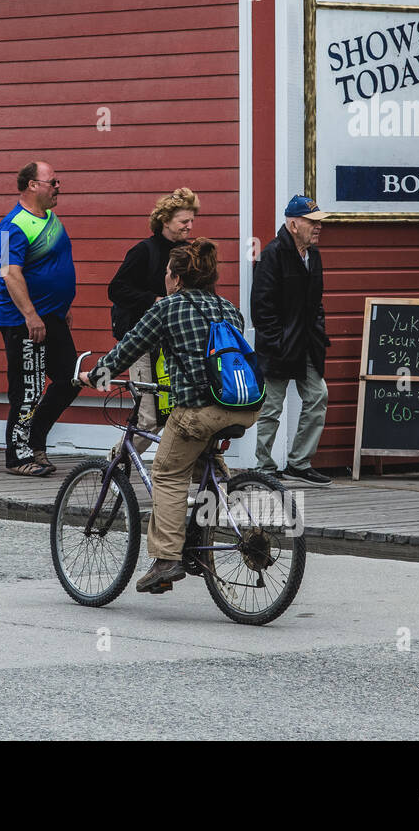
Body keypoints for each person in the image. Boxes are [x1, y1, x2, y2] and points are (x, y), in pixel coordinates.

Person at [80, 238, 257, 593]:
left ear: (175, 278)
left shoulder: (168, 308)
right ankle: (206, 537)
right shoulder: (228, 307)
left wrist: (94, 375)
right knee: (202, 466)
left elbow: (128, 349)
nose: (164, 278)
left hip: (197, 411)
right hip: (244, 406)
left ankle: (166, 560)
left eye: (166, 273)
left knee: (166, 472)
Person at [0, 161, 80, 477]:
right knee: (28, 388)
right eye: (52, 181)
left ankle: (35, 440)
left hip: (52, 317)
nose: (58, 186)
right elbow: (10, 273)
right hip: (24, 321)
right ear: (32, 184)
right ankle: (18, 458)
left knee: (69, 378)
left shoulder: (50, 218)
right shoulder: (12, 225)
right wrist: (31, 315)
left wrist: (62, 305)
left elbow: (54, 263)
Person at [107, 188, 199, 455]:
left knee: (181, 415)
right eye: (184, 221)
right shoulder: (143, 251)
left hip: (173, 343)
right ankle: (111, 470)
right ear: (165, 221)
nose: (189, 226)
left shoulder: (188, 251)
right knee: (149, 418)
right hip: (142, 343)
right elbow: (115, 289)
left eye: (192, 221)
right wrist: (154, 300)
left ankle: (192, 482)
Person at [251, 195, 332, 485]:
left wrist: (318, 331)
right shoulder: (271, 254)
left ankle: (299, 463)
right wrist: (279, 342)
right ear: (293, 224)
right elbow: (261, 309)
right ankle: (263, 466)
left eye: (319, 221)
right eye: (312, 222)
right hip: (278, 347)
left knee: (317, 396)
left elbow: (316, 302)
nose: (318, 227)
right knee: (271, 409)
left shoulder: (314, 256)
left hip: (307, 344)